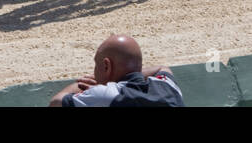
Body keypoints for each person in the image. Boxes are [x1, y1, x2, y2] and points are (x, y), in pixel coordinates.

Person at [48, 34, 184, 107]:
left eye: (96, 65)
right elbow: (162, 68)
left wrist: (101, 85)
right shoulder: (168, 86)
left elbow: (56, 103)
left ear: (107, 66)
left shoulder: (106, 95)